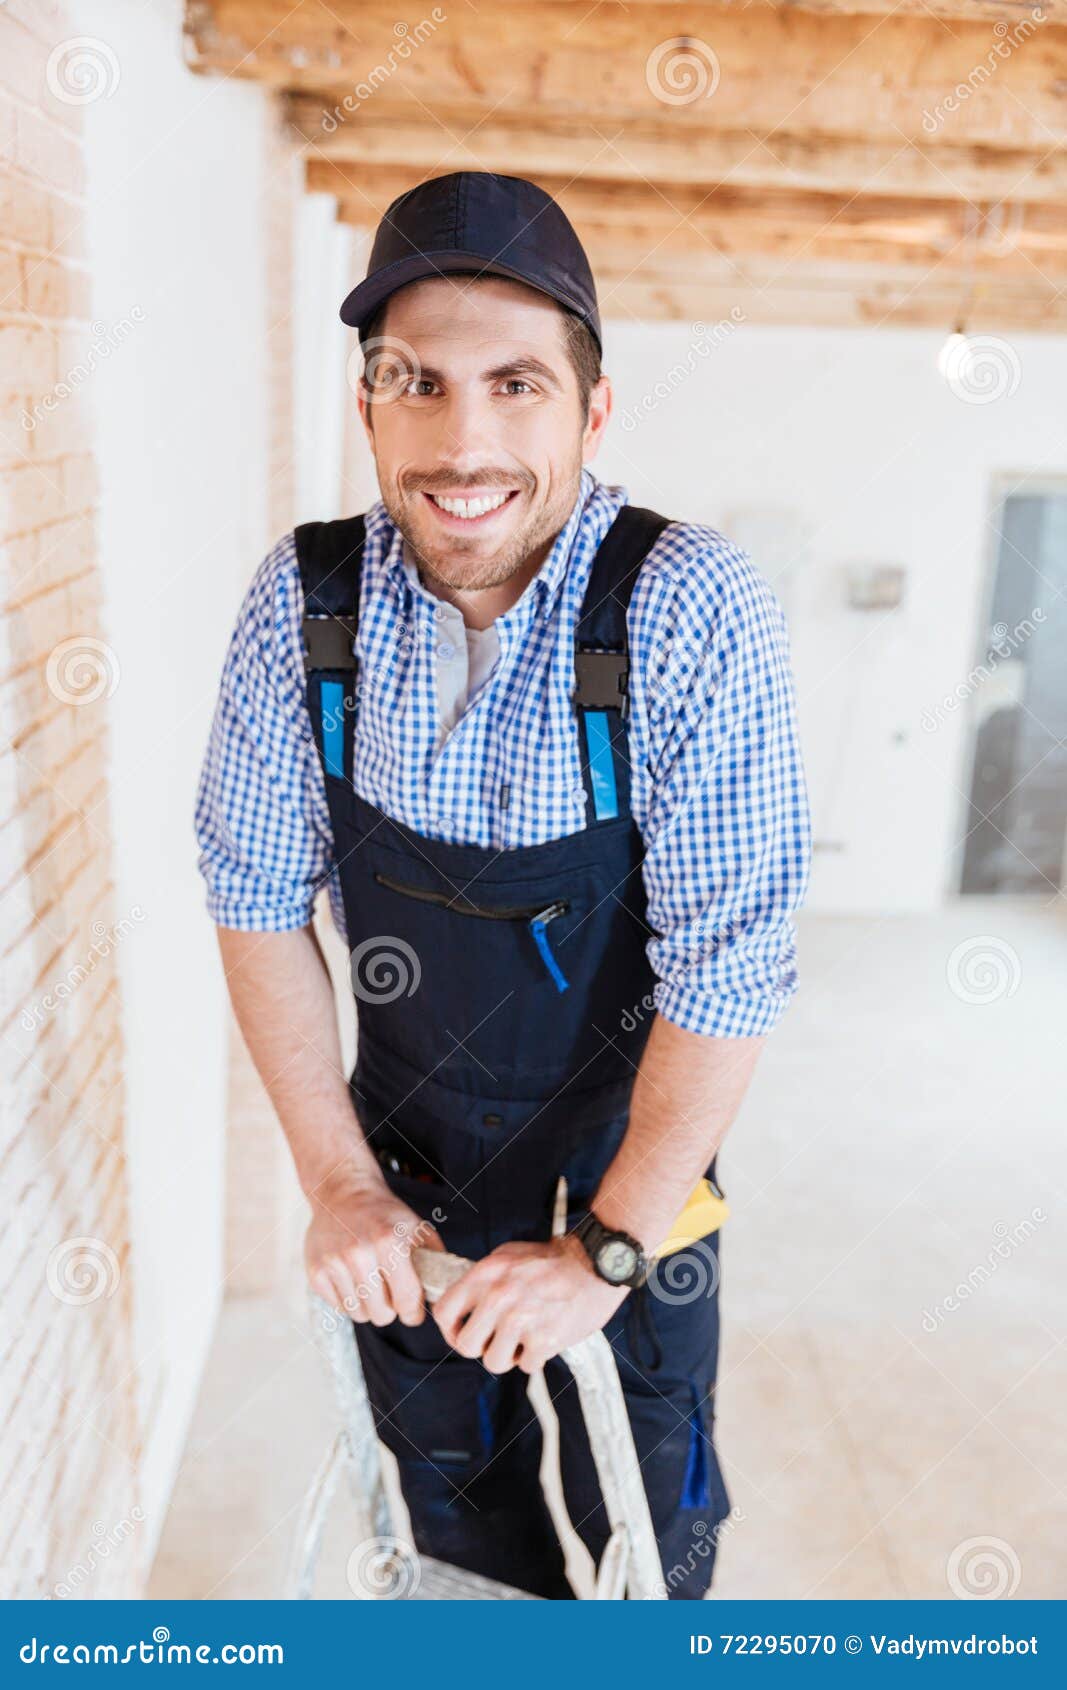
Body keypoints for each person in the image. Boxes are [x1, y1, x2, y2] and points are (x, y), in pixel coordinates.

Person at [195, 170, 811, 1599]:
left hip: (630, 1181)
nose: (463, 440)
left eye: (515, 383)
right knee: (458, 1529)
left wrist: (603, 1244)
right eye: (417, 383)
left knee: (651, 1536)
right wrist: (340, 1182)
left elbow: (732, 961)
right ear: (368, 405)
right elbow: (252, 892)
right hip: (407, 1184)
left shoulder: (682, 606)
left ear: (593, 413)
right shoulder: (308, 606)